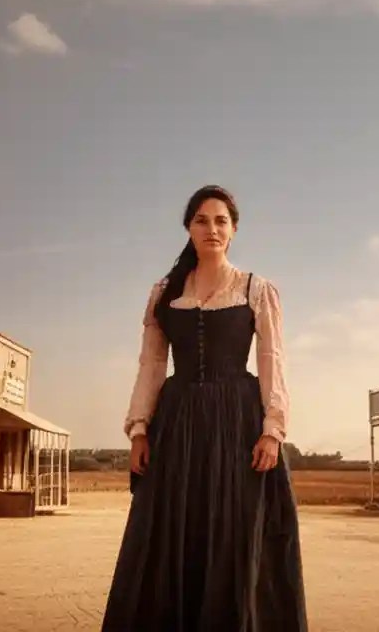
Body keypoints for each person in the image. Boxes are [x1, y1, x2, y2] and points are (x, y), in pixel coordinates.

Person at [102, 185, 308, 631]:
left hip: (237, 421)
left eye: (220, 221)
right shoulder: (164, 291)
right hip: (177, 424)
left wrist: (272, 430)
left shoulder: (256, 289)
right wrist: (140, 429)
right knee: (173, 535)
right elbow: (152, 363)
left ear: (233, 231)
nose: (211, 228)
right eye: (201, 220)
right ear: (188, 228)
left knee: (233, 533)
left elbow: (273, 359)